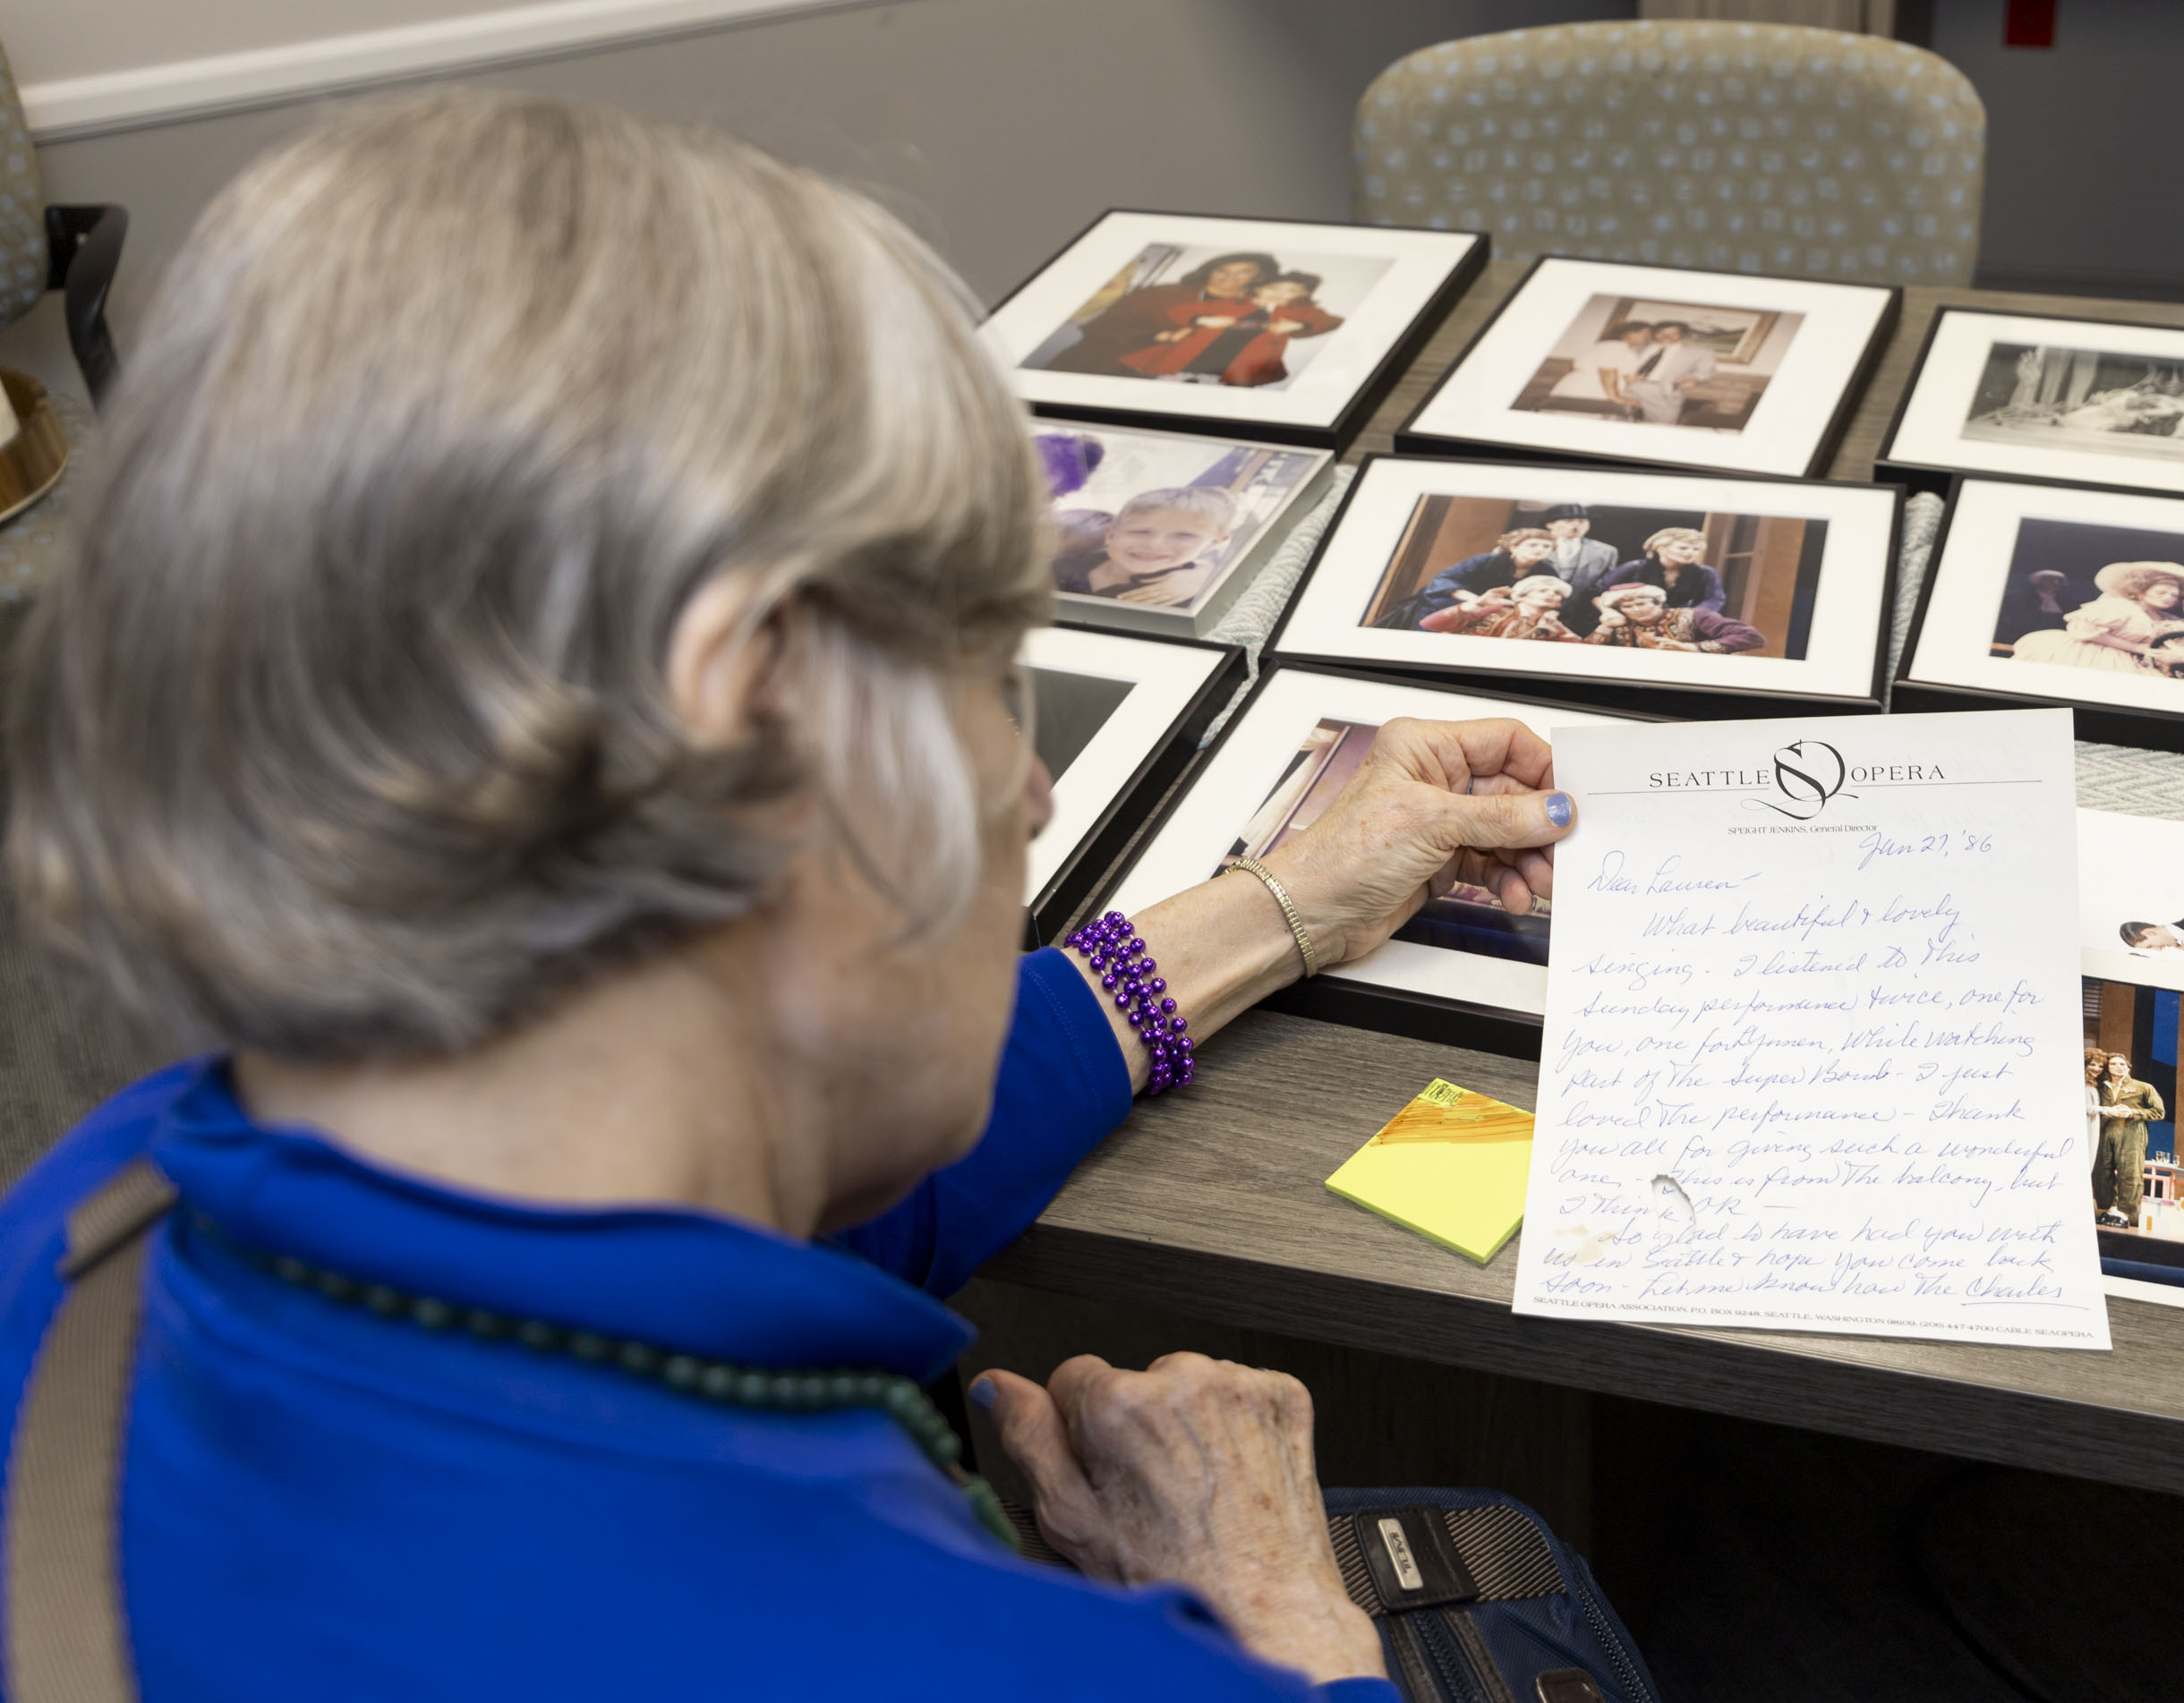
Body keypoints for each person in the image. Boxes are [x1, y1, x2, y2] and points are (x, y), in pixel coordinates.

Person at [0, 92, 1589, 1699]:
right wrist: (1281, 1626)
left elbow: (748, 1138)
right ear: (754, 706)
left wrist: (1283, 900)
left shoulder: (86, 1212)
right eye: (986, 679)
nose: (1028, 787)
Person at [1042, 249, 1282, 376]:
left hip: (1149, 386)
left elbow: (1234, 359)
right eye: (1223, 269)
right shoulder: (1165, 292)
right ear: (1210, 270)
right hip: (1091, 365)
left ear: (1259, 277)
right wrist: (1161, 337)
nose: (1230, 277)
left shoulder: (1255, 314)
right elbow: (1100, 327)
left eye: (1243, 271)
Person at [1117, 272, 1342, 388]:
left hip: (1234, 369)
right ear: (1258, 288)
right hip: (1193, 357)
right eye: (1274, 288)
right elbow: (1181, 311)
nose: (1280, 293)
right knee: (1165, 387)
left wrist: (1300, 325)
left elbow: (1332, 321)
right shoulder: (1233, 303)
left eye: (1290, 291)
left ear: (1301, 297)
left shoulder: (1297, 313)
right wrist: (1203, 318)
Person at [2007, 561, 2184, 676]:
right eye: (2162, 592)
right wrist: (2138, 648)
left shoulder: (2170, 618)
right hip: (2094, 657)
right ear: (2141, 591)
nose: (2169, 598)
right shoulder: (2120, 607)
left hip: (2139, 665)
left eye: (2174, 595)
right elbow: (2082, 630)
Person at [1051, 485, 1241, 606]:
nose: (1154, 545)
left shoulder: (1192, 601)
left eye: (1184, 536)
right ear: (1111, 534)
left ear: (1214, 543)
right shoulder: (1065, 563)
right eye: (1140, 532)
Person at [1412, 528, 1562, 619]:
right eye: (1532, 544)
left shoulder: (1547, 572)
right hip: (1454, 607)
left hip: (1505, 616)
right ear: (1514, 547)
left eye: (1546, 546)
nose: (1540, 549)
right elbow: (1443, 581)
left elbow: (1555, 597)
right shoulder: (1484, 561)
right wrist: (1479, 601)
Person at [2092, 1052, 2167, 1229]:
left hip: (2132, 1134)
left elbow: (2159, 1112)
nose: (2118, 1067)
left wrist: (2134, 1113)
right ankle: (2110, 1210)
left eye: (2122, 1064)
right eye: (2113, 1064)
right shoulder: (2099, 1087)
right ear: (2107, 1068)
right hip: (2105, 1132)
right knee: (2101, 1172)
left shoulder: (2143, 1087)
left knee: (2130, 1173)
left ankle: (2124, 1213)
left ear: (2128, 1067)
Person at [1584, 581, 1764, 653]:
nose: (1636, 610)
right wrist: (1605, 626)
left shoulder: (1695, 615)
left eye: (1641, 603)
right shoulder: (1619, 624)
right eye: (1628, 606)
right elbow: (1585, 654)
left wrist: (1690, 647)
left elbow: (1751, 637)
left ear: (1658, 603)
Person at [1600, 528, 1727, 617]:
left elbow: (1714, 600)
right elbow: (1596, 592)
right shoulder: (1634, 567)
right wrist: (1608, 612)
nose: (1690, 552)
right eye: (1683, 548)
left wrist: (1687, 617)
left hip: (1681, 624)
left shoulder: (1706, 573)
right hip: (1629, 621)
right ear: (1661, 548)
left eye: (1696, 549)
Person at [1419, 573, 1579, 642]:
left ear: (1559, 603)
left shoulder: (1552, 626)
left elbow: (1583, 652)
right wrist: (1479, 603)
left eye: (1557, 593)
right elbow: (1430, 624)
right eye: (1543, 590)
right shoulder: (1498, 610)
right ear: (1522, 595)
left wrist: (1605, 626)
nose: (1552, 595)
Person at [1538, 505, 1622, 635]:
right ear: (1550, 524)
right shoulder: (1529, 544)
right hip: (1535, 612)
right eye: (1568, 521)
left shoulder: (1606, 551)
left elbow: (1604, 586)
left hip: (1581, 617)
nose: (1576, 526)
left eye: (1582, 521)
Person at [1541, 319, 1656, 413]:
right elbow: (1607, 371)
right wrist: (1616, 397)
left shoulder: (1625, 350)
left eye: (1649, 335)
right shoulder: (1613, 346)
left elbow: (1618, 371)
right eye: (1643, 333)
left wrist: (1628, 379)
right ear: (1626, 333)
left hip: (1601, 388)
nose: (1647, 337)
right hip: (1588, 388)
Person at [1621, 320, 1720, 426]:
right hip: (1627, 388)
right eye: (1662, 332)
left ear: (1682, 334)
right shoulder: (1637, 347)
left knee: (1661, 426)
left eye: (1673, 333)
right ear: (1655, 334)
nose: (1666, 336)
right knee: (1618, 420)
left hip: (1663, 391)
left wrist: (1693, 379)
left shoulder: (1700, 353)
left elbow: (1706, 373)